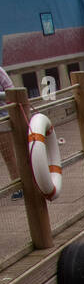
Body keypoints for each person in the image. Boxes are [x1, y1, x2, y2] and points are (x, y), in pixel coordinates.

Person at [0, 64, 27, 199]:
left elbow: (11, 91)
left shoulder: (0, 72)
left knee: (8, 154)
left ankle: (18, 185)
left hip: (2, 118)